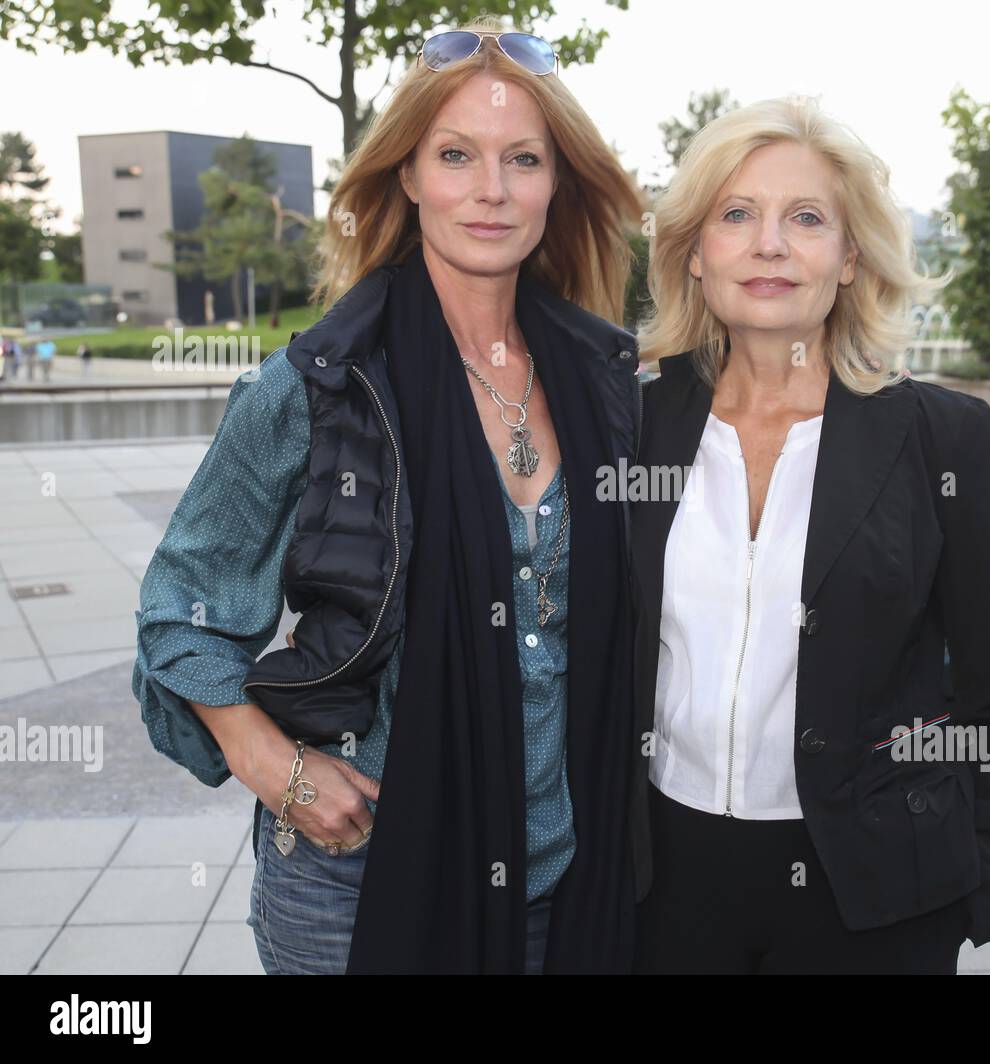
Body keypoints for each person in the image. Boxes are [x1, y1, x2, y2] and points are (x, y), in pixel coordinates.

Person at [132, 17, 644, 974]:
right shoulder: (320, 384)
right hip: (357, 881)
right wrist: (277, 773)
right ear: (406, 176)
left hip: (570, 883)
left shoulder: (605, 382)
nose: (491, 190)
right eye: (456, 155)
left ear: (556, 184)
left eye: (523, 159)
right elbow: (179, 616)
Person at [628, 97, 990, 973]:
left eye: (806, 218)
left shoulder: (943, 437)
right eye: (737, 215)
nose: (770, 244)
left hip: (868, 895)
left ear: (851, 255)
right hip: (663, 883)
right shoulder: (630, 427)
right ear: (694, 251)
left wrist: (981, 888)